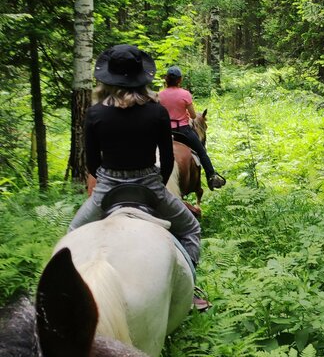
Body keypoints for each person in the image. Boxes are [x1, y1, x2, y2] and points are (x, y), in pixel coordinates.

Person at [68, 44, 202, 268]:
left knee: (73, 233)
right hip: (149, 186)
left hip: (108, 189)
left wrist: (108, 175)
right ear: (142, 78)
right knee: (191, 228)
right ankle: (191, 285)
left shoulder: (95, 113)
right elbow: (167, 160)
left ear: (107, 79)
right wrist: (157, 182)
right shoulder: (157, 111)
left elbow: (92, 164)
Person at [158, 65, 227, 190]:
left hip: (164, 131)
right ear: (180, 80)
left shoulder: (160, 95)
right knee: (201, 151)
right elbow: (194, 115)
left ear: (166, 79)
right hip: (183, 131)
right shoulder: (185, 94)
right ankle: (212, 176)